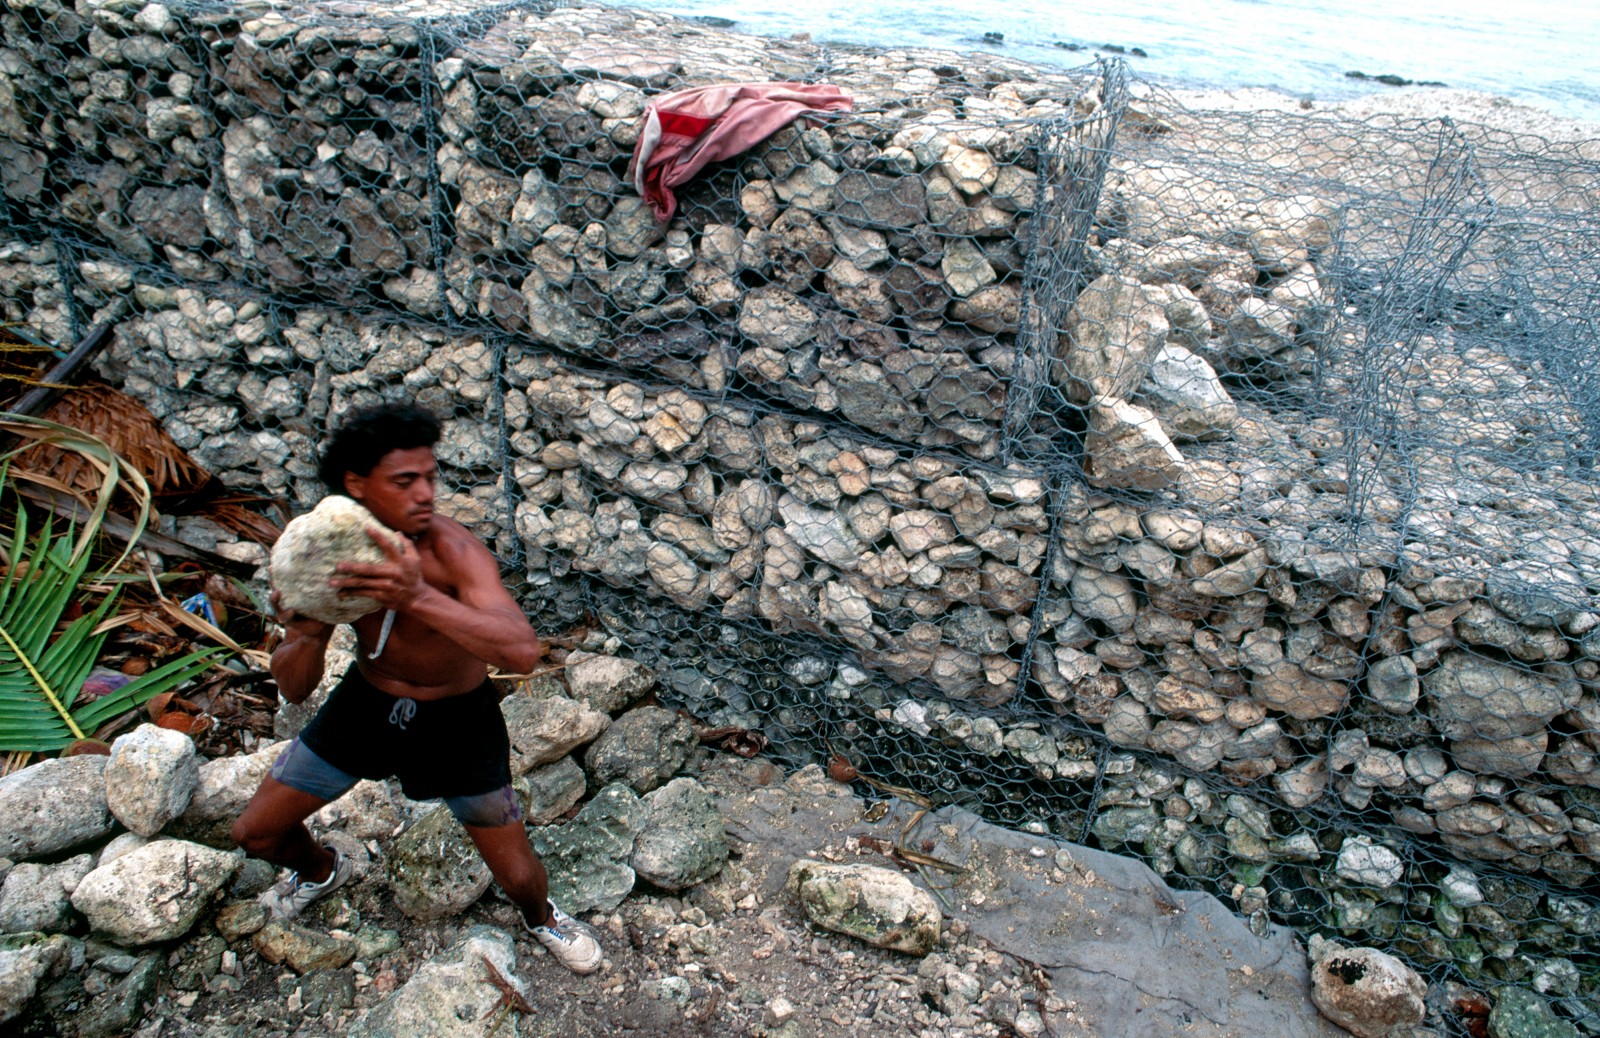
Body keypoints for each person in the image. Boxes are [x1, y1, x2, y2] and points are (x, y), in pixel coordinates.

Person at [231, 401, 603, 974]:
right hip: (366, 703)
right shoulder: (334, 549)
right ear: (357, 485)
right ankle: (320, 870)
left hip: (458, 722)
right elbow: (297, 689)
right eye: (405, 482)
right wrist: (301, 633)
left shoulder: (453, 551)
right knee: (256, 833)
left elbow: (522, 653)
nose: (426, 494)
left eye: (430, 477)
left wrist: (417, 597)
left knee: (517, 874)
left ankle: (542, 918)